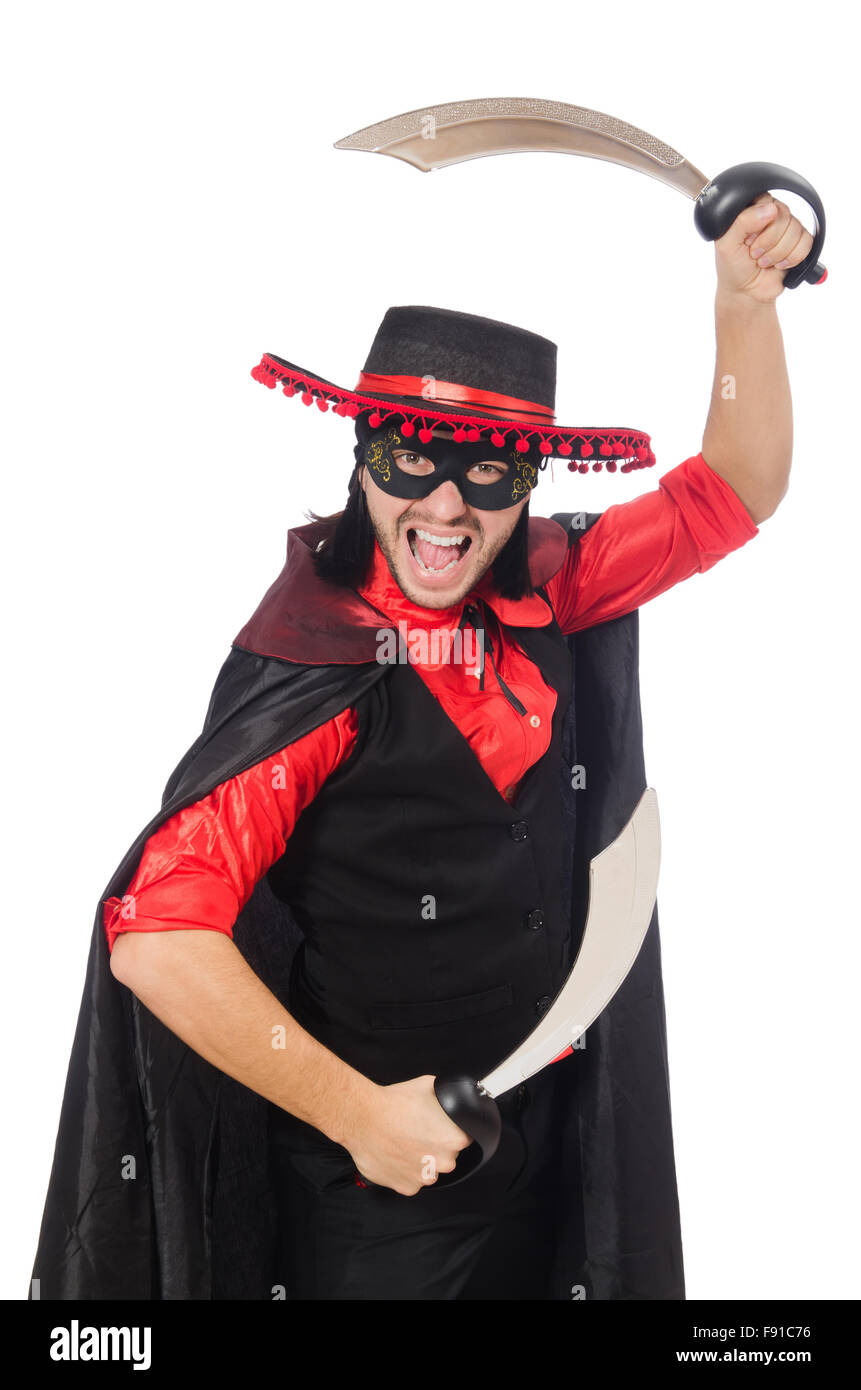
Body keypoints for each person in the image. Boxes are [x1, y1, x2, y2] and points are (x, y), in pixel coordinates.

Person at [29, 193, 807, 1300]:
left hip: (546, 1147)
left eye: (488, 471)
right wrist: (359, 1115)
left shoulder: (554, 581)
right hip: (373, 1198)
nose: (444, 505)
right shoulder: (314, 663)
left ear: (529, 483)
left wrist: (743, 304)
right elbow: (156, 936)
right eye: (410, 460)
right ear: (361, 459)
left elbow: (737, 487)